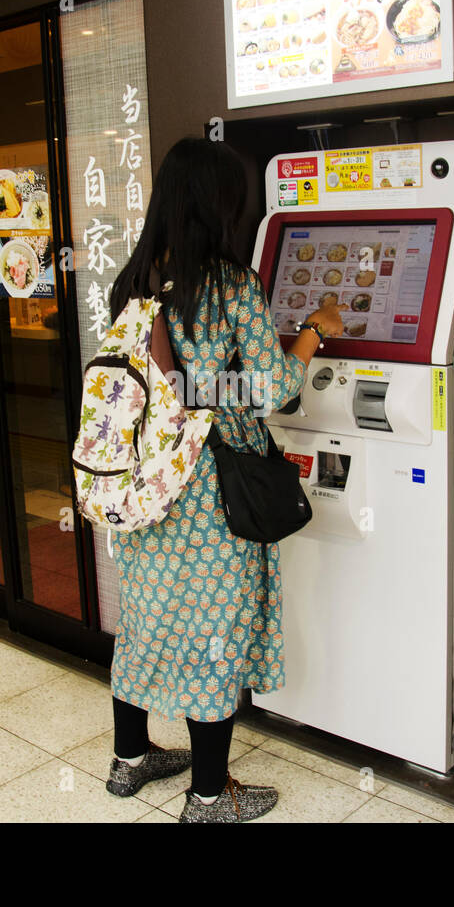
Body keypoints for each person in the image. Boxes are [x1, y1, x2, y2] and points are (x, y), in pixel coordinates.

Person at [103, 137, 343, 822]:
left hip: (151, 483)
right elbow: (269, 385)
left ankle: (129, 760)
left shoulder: (136, 279)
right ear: (218, 205)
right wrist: (315, 331)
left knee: (146, 619)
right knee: (216, 629)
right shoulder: (232, 285)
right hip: (212, 488)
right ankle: (209, 796)